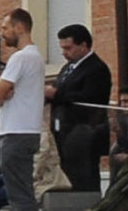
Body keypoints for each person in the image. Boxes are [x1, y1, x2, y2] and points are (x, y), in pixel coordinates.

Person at [0, 8, 48, 211]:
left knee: (20, 192)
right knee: (21, 190)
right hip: (27, 129)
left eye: (5, 28)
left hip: (16, 131)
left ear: (19, 28)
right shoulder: (36, 58)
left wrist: (1, 90)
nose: (2, 34)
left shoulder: (20, 58)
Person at [48, 24, 112, 194]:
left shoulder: (96, 68)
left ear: (83, 45)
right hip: (63, 131)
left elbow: (89, 97)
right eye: (62, 48)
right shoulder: (67, 68)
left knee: (84, 178)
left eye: (68, 48)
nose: (64, 53)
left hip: (85, 131)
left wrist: (56, 94)